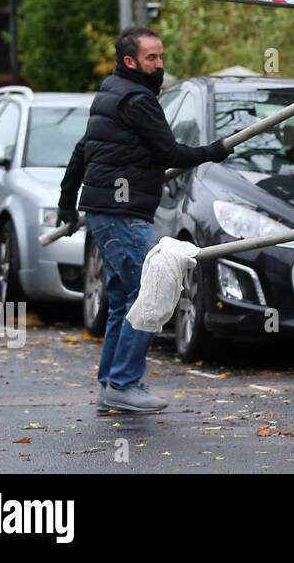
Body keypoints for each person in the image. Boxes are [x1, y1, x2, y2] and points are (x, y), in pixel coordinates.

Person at [58, 27, 232, 413]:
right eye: (152, 58)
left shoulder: (111, 92)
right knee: (151, 291)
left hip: (106, 212)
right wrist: (214, 151)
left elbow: (82, 150)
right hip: (123, 214)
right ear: (130, 62)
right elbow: (169, 151)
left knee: (123, 299)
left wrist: (67, 202)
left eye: (161, 56)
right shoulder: (136, 99)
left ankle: (111, 385)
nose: (160, 65)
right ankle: (122, 382)